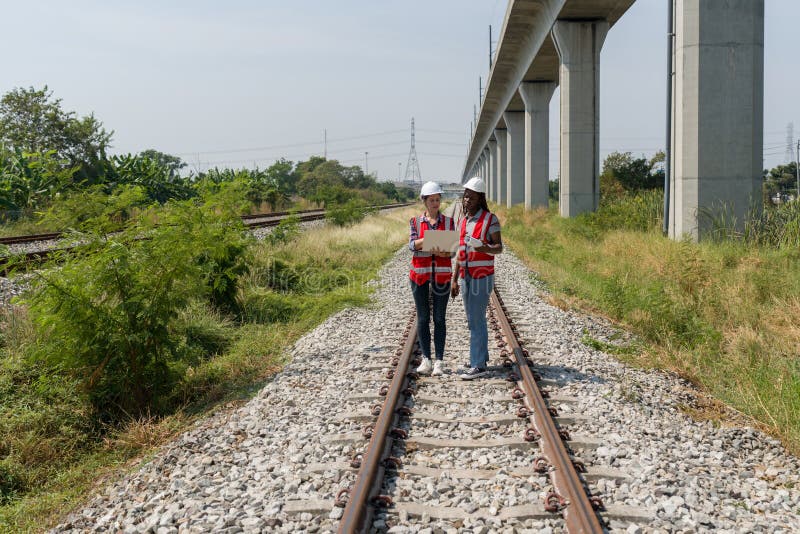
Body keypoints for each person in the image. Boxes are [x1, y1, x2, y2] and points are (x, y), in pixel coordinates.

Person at [450, 176, 503, 380]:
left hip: (482, 277)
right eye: (465, 197)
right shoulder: (463, 221)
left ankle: (478, 365)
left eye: (471, 198)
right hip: (465, 276)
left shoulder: (491, 220)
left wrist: (483, 247)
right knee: (472, 320)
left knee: (477, 319)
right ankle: (479, 357)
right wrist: (454, 279)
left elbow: (499, 248)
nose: (466, 201)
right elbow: (459, 252)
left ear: (480, 199)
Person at [409, 181, 456, 377]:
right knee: (423, 318)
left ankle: (439, 362)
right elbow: (412, 245)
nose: (436, 203)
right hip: (419, 276)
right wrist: (436, 241)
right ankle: (426, 360)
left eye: (438, 199)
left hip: (442, 275)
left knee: (439, 318)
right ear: (424, 201)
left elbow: (451, 251)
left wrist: (427, 243)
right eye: (432, 200)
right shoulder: (415, 222)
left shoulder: (448, 222)